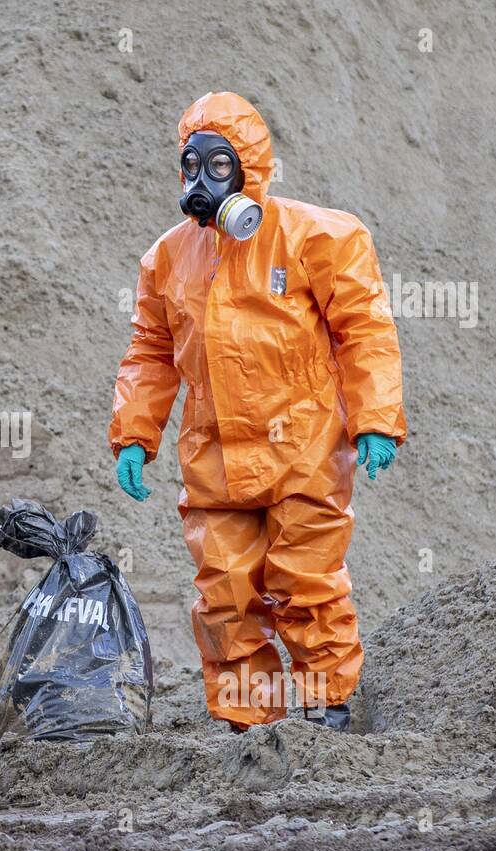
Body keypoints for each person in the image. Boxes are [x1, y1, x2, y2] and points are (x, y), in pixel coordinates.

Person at [109, 91, 406, 733]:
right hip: (213, 453)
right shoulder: (167, 258)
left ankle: (329, 708)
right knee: (225, 591)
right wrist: (135, 431)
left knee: (306, 579)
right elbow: (151, 350)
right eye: (191, 166)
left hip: (305, 446)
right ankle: (249, 725)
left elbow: (365, 331)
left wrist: (374, 419)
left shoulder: (320, 237)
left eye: (219, 166)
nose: (201, 182)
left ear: (250, 165)